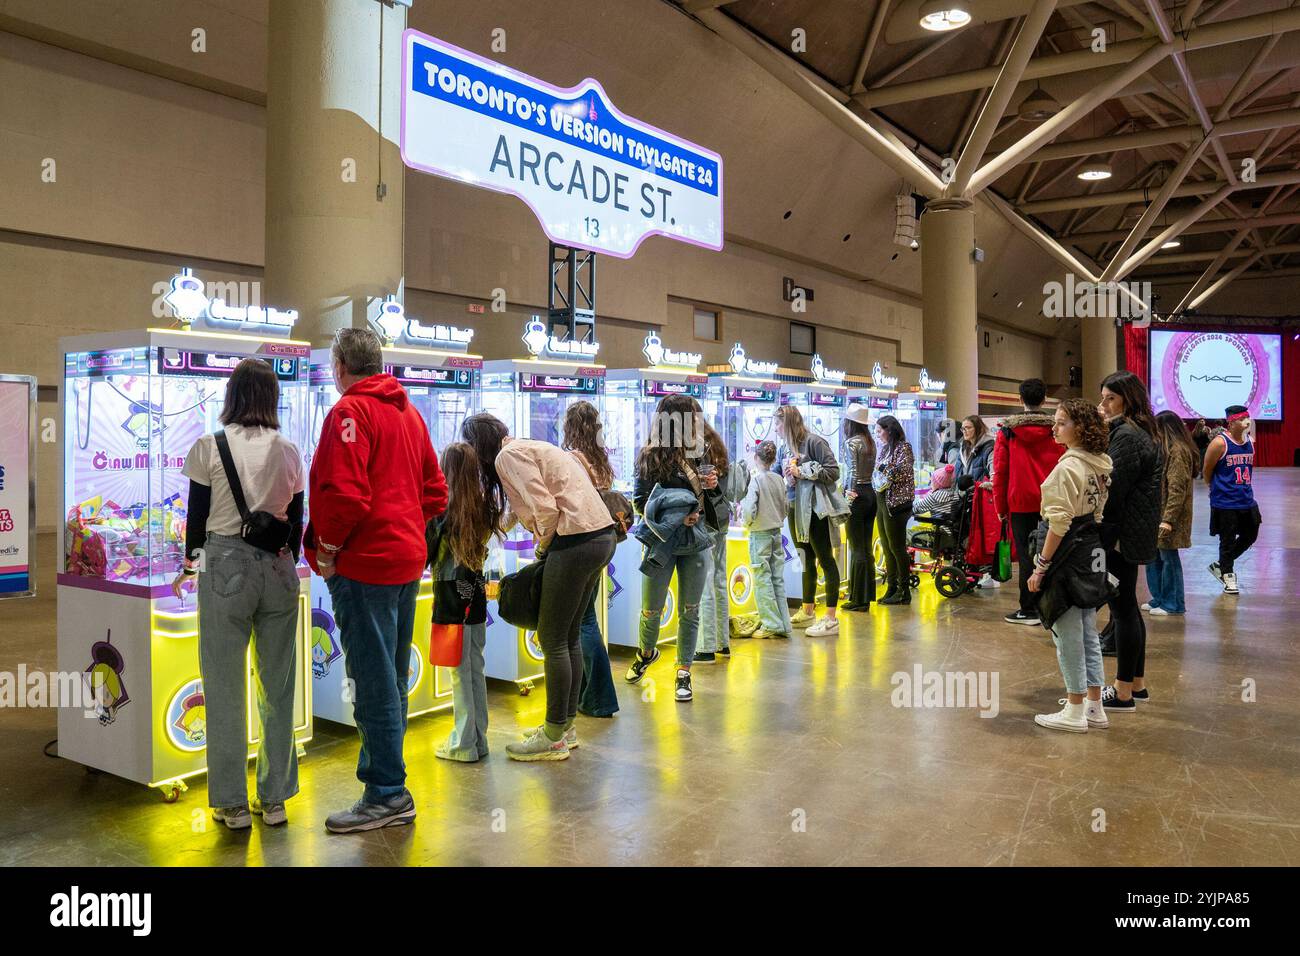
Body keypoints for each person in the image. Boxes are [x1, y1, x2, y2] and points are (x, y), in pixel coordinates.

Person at [307, 328, 448, 832]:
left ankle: (387, 792)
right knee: (388, 676)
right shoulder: (408, 412)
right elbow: (436, 490)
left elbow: (344, 496)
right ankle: (389, 785)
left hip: (364, 565)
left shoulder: (349, 413)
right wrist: (407, 524)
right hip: (405, 562)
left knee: (372, 680)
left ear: (341, 365)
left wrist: (327, 548)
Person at [172, 358, 305, 830]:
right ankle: (273, 800)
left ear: (232, 394)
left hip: (224, 564)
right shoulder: (288, 449)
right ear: (271, 397)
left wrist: (191, 568)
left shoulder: (209, 445)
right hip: (278, 568)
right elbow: (297, 522)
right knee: (278, 684)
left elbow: (196, 522)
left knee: (225, 686)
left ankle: (230, 803)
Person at [461, 412, 617, 758]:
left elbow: (544, 510)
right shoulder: (528, 446)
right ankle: (564, 727)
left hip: (574, 541)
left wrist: (543, 547)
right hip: (600, 537)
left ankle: (552, 736)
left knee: (551, 638)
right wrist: (494, 531)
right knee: (569, 635)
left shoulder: (506, 457)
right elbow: (524, 506)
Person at [624, 394, 722, 701]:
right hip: (661, 543)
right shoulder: (649, 456)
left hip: (696, 542)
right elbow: (640, 503)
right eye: (691, 415)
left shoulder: (700, 450)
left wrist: (713, 486)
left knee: (690, 611)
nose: (697, 420)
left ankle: (683, 672)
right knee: (651, 610)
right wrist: (678, 512)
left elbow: (715, 498)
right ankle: (646, 652)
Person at [1027, 399, 1114, 733]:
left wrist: (1041, 566)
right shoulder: (1100, 465)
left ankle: (1074, 709)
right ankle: (1094, 704)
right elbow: (1097, 513)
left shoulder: (1068, 468)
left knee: (1068, 637)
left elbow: (1058, 524)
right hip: (1090, 549)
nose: (1054, 427)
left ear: (1080, 428)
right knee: (1087, 633)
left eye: (1061, 422)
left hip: (1066, 554)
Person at [1096, 370, 1161, 713]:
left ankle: (1122, 692)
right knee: (1128, 610)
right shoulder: (1134, 431)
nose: (1103, 405)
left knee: (1122, 611)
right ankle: (1136, 684)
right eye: (1103, 397)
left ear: (1127, 399)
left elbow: (1112, 486)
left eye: (1110, 398)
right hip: (1130, 530)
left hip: (1122, 532)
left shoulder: (1127, 435)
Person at [430, 442, 495, 762]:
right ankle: (479, 738)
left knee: (458, 673)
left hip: (449, 597)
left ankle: (463, 743)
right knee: (475, 668)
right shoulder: (482, 506)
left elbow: (427, 553)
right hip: (476, 595)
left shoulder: (442, 510)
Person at [560, 401, 620, 716]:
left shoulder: (573, 459)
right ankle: (589, 694)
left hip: (578, 543)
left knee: (582, 622)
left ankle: (599, 697)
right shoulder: (601, 460)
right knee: (586, 619)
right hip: (602, 544)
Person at [992, 378, 1063, 627]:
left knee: (1025, 556)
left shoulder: (1007, 431)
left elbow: (1000, 472)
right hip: (1053, 501)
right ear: (1044, 399)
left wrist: (1000, 507)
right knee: (1050, 553)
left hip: (1019, 502)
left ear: (1020, 399)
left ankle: (1029, 608)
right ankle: (1053, 606)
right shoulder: (1057, 429)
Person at [774, 404, 844, 636]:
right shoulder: (786, 447)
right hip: (795, 506)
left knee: (825, 559)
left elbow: (833, 471)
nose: (776, 429)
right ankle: (808, 609)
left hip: (815, 509)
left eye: (778, 424)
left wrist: (802, 471)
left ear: (790, 424)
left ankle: (831, 618)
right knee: (805, 557)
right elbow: (778, 472)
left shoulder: (814, 442)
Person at [692, 400, 737, 664]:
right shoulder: (716, 442)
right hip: (721, 518)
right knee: (719, 578)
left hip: (705, 519)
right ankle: (722, 642)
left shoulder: (696, 446)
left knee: (705, 580)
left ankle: (706, 645)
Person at [1203, 404, 1261, 595]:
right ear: (1232, 422)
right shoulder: (1220, 443)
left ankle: (1221, 565)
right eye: (1242, 419)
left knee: (1251, 534)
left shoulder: (1250, 441)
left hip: (1246, 498)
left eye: (1248, 418)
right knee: (1226, 541)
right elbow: (1207, 470)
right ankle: (1228, 576)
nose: (1247, 422)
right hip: (1225, 501)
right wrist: (1215, 489)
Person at [741, 440, 793, 638]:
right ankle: (783, 623)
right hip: (776, 532)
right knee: (776, 578)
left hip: (759, 533)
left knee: (762, 578)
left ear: (756, 458)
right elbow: (786, 506)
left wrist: (748, 523)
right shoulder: (779, 479)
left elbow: (749, 509)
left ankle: (770, 623)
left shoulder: (756, 480)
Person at [1145, 411, 1195, 616]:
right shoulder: (1166, 450)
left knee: (1168, 557)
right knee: (1154, 556)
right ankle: (1159, 598)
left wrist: (1168, 519)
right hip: (1158, 513)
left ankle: (1173, 603)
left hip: (1170, 516)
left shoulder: (1178, 451)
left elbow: (1177, 488)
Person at [873, 414, 915, 606]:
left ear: (889, 430)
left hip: (897, 504)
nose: (878, 434)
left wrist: (882, 467)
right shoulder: (884, 449)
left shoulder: (903, 447)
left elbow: (901, 473)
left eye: (880, 431)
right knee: (887, 547)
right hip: (883, 501)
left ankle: (904, 591)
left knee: (897, 548)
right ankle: (891, 587)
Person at [842, 404, 877, 611]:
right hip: (870, 492)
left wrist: (849, 495)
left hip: (856, 494)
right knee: (865, 546)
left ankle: (858, 598)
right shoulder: (869, 441)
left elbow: (852, 472)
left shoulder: (851, 442)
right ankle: (865, 595)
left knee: (857, 548)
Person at [956, 415, 994, 484]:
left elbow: (993, 475)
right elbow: (957, 473)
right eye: (963, 429)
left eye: (968, 428)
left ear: (978, 429)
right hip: (964, 492)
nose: (964, 431)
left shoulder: (989, 447)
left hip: (980, 492)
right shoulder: (963, 448)